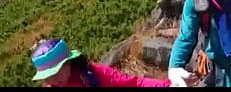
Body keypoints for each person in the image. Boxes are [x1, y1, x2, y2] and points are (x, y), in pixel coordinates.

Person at [31, 38, 171, 87]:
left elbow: (133, 83)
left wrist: (169, 85)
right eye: (48, 77)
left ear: (68, 63)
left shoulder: (91, 74)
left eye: (56, 73)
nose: (54, 80)